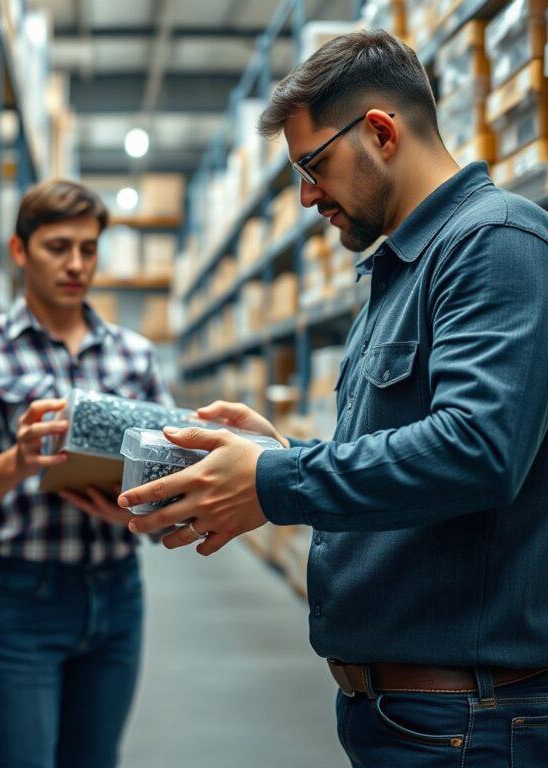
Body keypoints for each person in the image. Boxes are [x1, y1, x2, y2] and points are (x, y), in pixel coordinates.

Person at [120, 29, 548, 765]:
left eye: (314, 165)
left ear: (380, 131)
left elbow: (478, 450)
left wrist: (273, 481)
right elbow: (405, 447)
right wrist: (276, 452)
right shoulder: (399, 271)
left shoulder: (496, 243)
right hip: (411, 716)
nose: (307, 195)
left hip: (469, 722)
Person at [0, 179, 173, 768]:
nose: (76, 264)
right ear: (20, 250)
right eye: (58, 247)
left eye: (88, 249)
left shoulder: (135, 355)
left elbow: (175, 477)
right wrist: (17, 462)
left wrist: (137, 505)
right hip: (25, 601)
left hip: (118, 595)